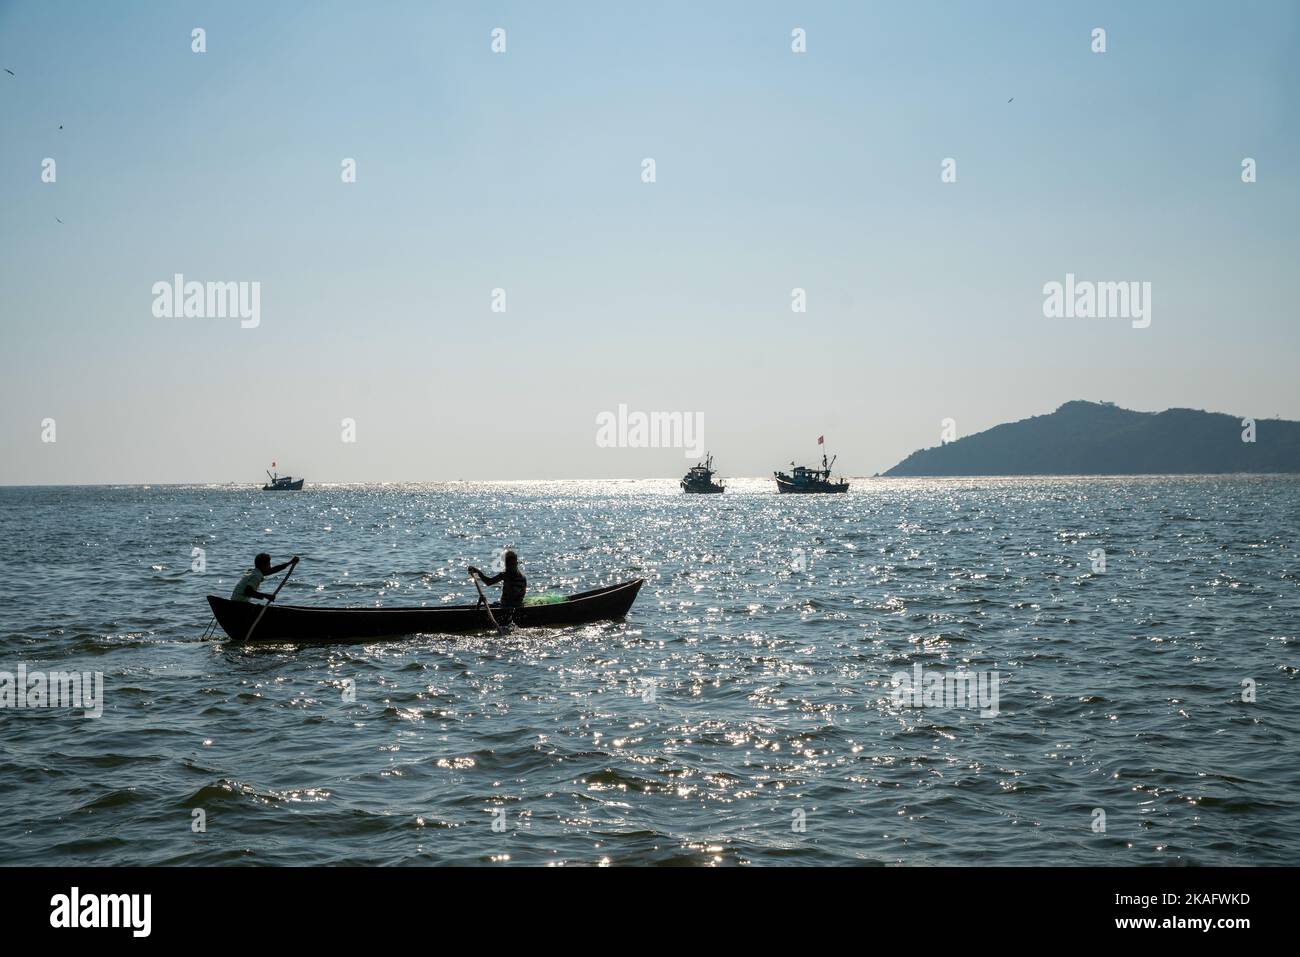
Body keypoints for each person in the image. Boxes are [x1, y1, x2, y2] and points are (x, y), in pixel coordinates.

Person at [468, 550, 527, 624]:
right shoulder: (522, 577)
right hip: (516, 606)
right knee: (495, 604)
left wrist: (478, 572)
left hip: (508, 607)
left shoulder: (506, 575)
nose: (509, 568)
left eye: (511, 565)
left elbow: (488, 582)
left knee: (489, 607)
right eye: (508, 565)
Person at [231, 553, 299, 602]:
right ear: (263, 566)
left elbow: (273, 570)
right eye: (269, 564)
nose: (270, 566)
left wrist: (290, 563)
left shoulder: (254, 572)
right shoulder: (256, 576)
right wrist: (267, 596)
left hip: (236, 600)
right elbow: (248, 592)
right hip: (238, 602)